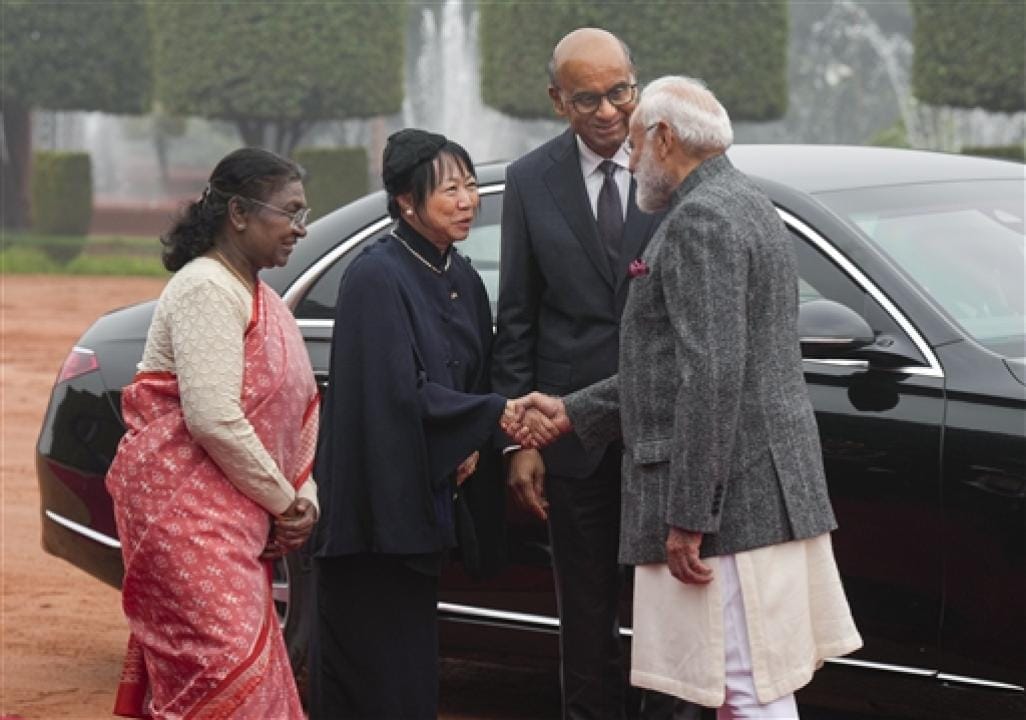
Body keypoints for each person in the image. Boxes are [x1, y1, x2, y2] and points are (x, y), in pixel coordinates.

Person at [518, 76, 864, 719]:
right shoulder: (744, 201)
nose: (629, 161)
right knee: (745, 686)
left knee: (742, 686)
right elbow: (682, 368)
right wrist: (572, 412)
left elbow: (711, 376)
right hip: (754, 491)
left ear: (663, 138)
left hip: (730, 506)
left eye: (634, 145)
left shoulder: (700, 219)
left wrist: (690, 518)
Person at [492, 28, 701, 720]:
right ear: (558, 100)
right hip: (570, 435)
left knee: (672, 612)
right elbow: (517, 316)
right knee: (584, 616)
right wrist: (521, 443)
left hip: (664, 432)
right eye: (589, 99)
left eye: (620, 91)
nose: (609, 111)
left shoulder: (673, 162)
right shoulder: (530, 180)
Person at [309, 128, 523, 720]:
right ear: (406, 200)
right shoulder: (377, 275)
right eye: (450, 190)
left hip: (427, 501)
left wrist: (474, 436)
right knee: (371, 666)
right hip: (375, 513)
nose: (467, 201)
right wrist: (487, 418)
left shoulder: (461, 275)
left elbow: (473, 375)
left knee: (411, 671)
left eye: (471, 186)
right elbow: (393, 395)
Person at [105, 147, 319, 719]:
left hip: (237, 515)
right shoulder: (206, 288)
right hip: (184, 517)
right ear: (239, 213)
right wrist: (286, 502)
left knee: (247, 667)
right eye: (289, 212)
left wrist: (304, 497)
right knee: (222, 668)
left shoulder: (263, 299)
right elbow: (213, 417)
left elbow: (299, 411)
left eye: (303, 214)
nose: (300, 228)